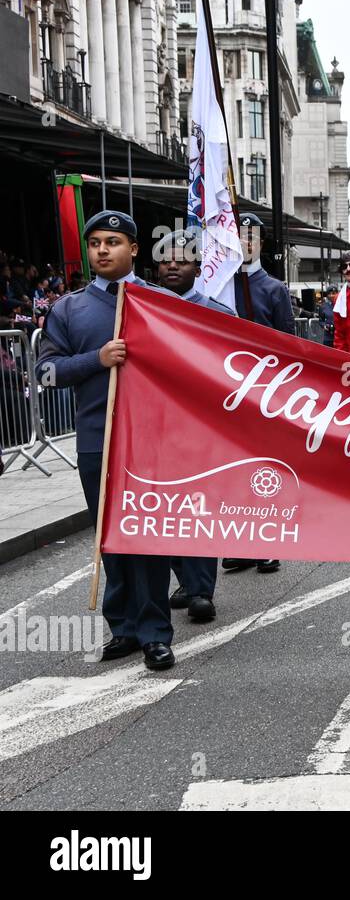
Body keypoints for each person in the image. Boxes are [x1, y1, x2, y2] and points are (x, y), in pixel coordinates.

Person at [35, 211, 176, 670]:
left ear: (133, 249)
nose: (101, 250)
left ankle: (156, 633)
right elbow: (45, 373)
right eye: (95, 242)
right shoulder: (68, 309)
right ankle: (125, 629)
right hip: (97, 440)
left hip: (151, 441)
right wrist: (95, 359)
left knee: (149, 538)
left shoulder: (159, 302)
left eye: (113, 242)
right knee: (109, 538)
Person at [154, 227, 235, 622]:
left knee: (199, 507)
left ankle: (201, 590)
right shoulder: (140, 311)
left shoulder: (219, 315)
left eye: (182, 259)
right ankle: (185, 577)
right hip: (153, 428)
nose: (172, 265)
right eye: (166, 259)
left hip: (202, 431)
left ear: (198, 267)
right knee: (163, 507)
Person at [231, 213, 293, 333]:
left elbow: (287, 339)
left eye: (250, 237)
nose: (244, 242)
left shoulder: (276, 289)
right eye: (239, 237)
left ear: (261, 243)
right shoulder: (224, 284)